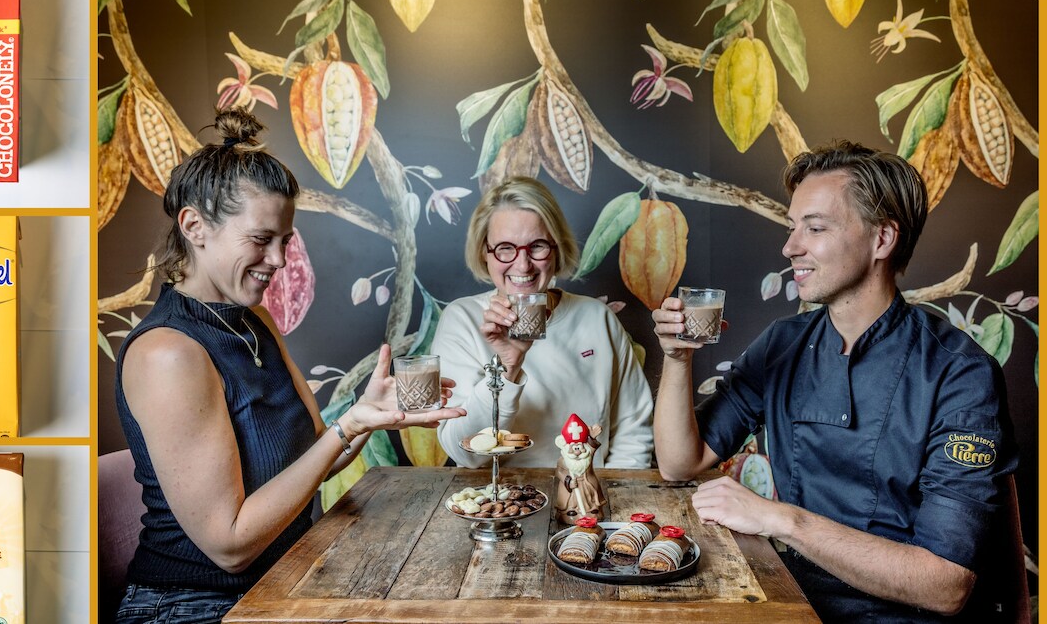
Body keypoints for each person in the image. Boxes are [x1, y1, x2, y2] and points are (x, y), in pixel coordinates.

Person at [113, 108, 464, 623]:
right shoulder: (168, 353)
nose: (278, 260)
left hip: (285, 583)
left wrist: (367, 416)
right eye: (261, 240)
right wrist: (346, 428)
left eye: (285, 240)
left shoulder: (253, 319)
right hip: (192, 607)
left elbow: (318, 459)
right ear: (194, 226)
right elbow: (229, 545)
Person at [650, 141, 1018, 621]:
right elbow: (680, 463)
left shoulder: (959, 373)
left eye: (815, 228)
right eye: (792, 228)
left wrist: (777, 518)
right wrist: (678, 359)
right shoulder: (782, 343)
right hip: (790, 603)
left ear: (882, 240)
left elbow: (944, 585)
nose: (790, 247)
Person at [433, 176, 654, 469]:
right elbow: (466, 454)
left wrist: (606, 501)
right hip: (497, 507)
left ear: (556, 248)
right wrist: (508, 368)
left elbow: (632, 432)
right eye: (505, 248)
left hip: (589, 506)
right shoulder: (462, 320)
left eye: (536, 246)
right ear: (484, 253)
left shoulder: (597, 318)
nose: (522, 265)